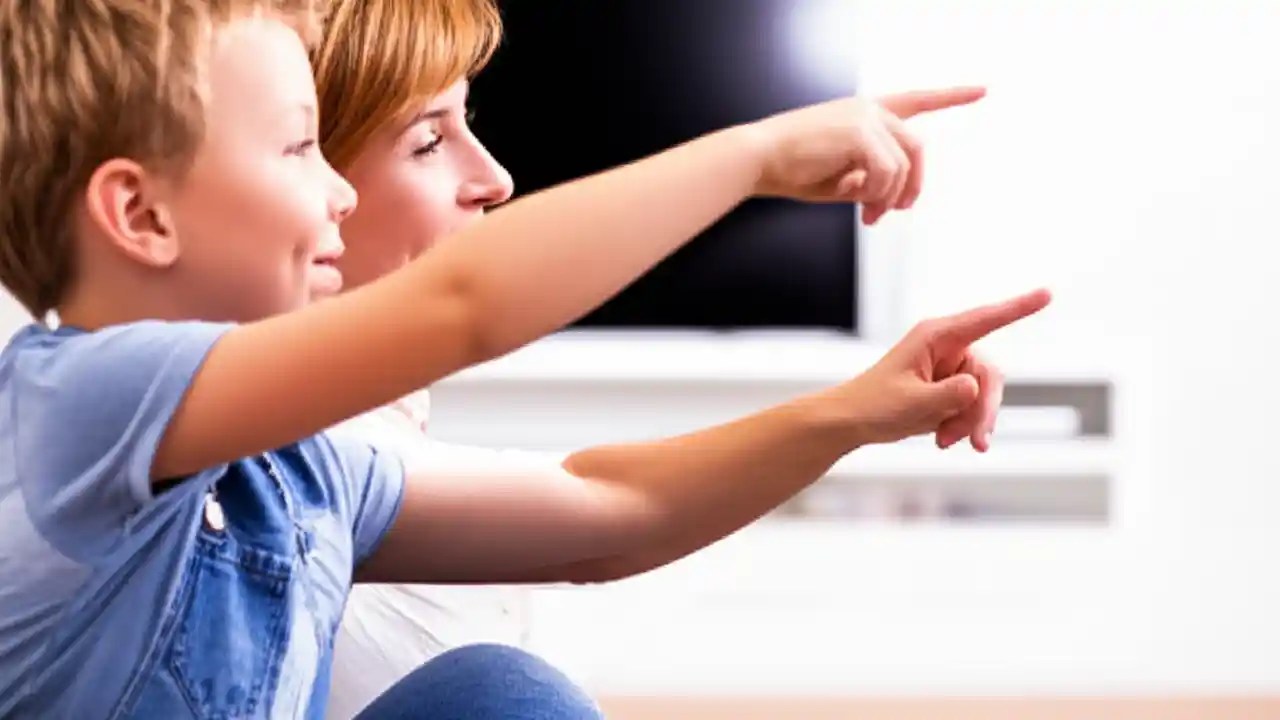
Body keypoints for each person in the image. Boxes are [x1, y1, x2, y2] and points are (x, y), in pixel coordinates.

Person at [0, 2, 1047, 719]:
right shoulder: (79, 398)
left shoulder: (298, 474)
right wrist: (753, 156)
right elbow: (464, 305)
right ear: (139, 214)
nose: (339, 193)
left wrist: (856, 412)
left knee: (494, 692)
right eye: (296, 149)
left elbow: (602, 509)